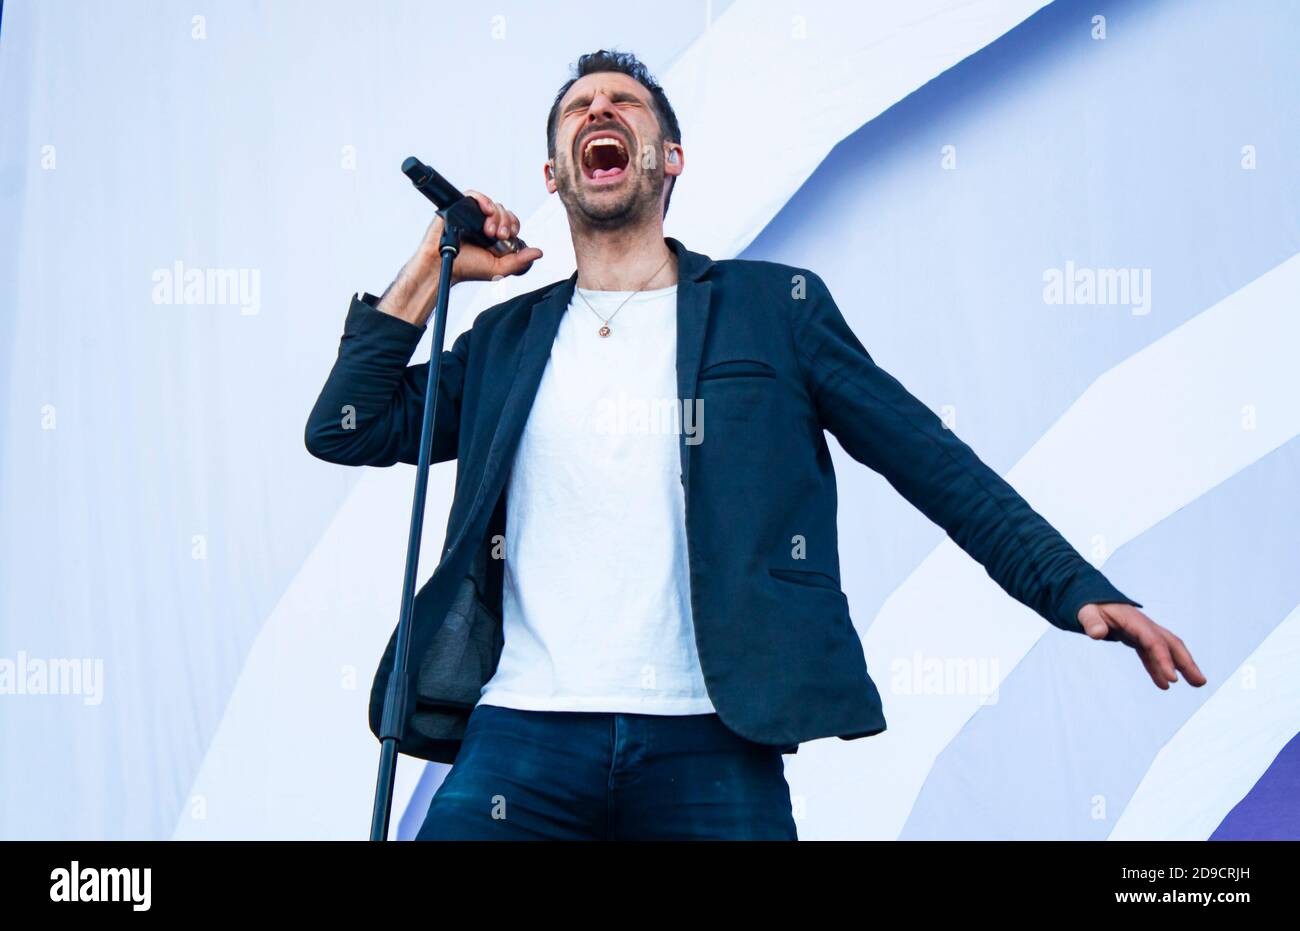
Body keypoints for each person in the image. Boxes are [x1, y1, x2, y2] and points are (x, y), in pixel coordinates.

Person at [305, 49, 1205, 841]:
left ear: (672, 159)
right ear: (554, 176)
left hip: (710, 740)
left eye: (625, 104)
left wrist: (1072, 587)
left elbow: (930, 460)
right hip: (521, 737)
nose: (600, 113)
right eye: (579, 109)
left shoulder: (776, 309)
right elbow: (347, 426)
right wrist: (433, 261)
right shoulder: (508, 342)